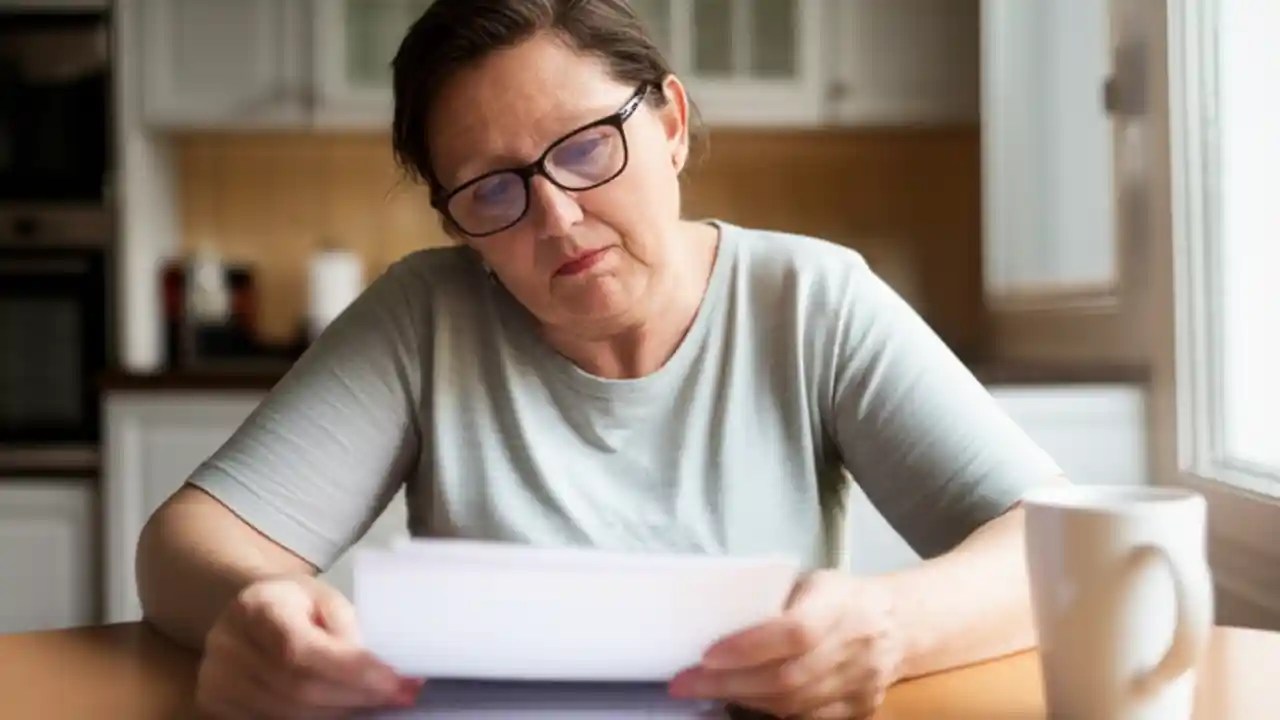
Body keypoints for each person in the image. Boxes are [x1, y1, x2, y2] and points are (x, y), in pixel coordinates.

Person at [136, 1, 1066, 718]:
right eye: (493, 190)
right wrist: (250, 611)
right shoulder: (424, 315)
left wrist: (890, 627)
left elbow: (1049, 540)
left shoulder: (813, 299)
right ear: (455, 220)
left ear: (669, 123)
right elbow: (185, 546)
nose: (558, 217)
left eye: (585, 148)